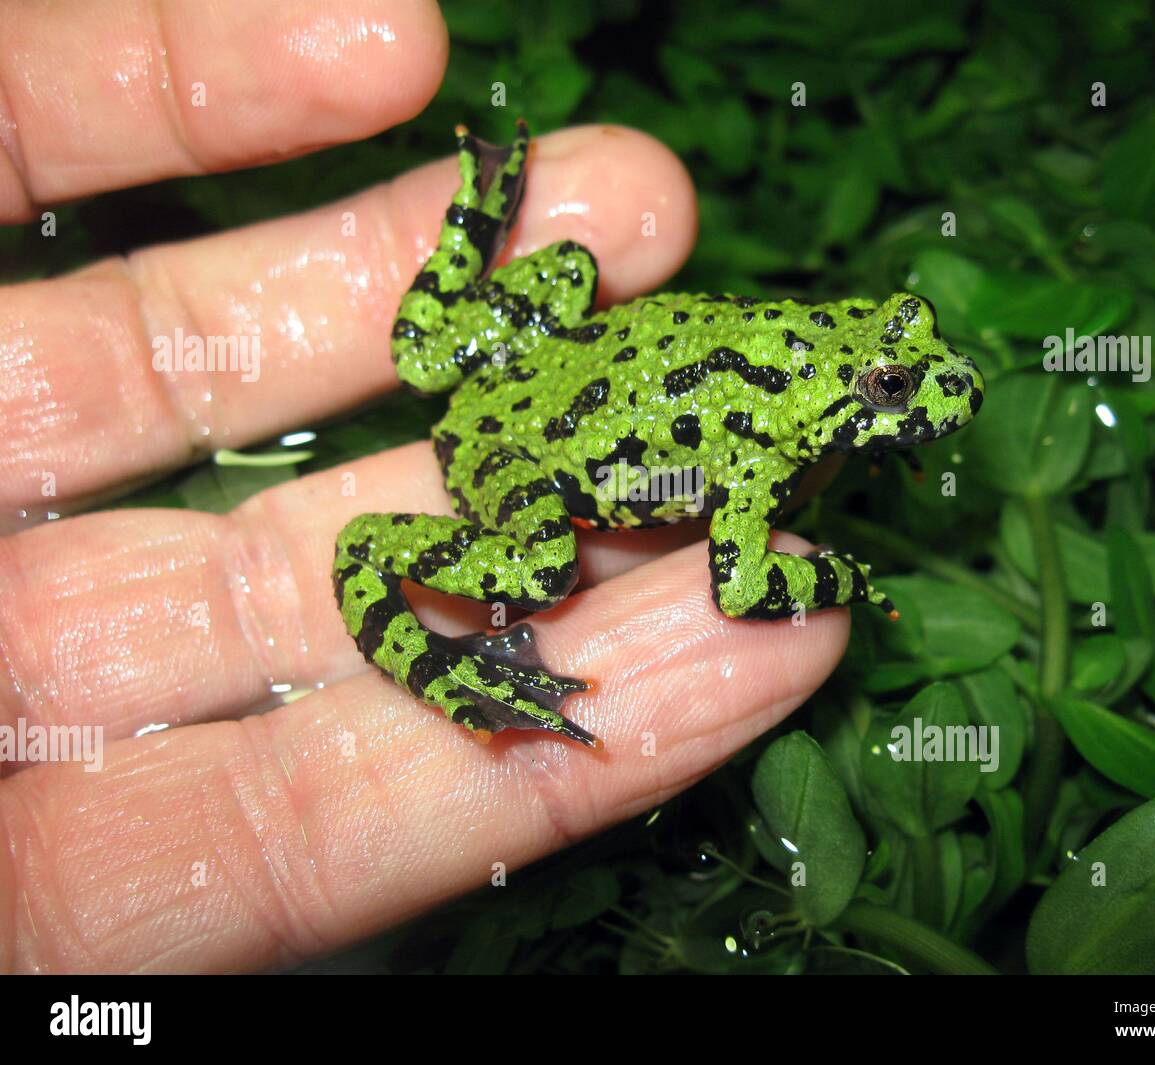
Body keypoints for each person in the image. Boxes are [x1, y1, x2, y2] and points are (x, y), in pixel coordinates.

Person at [0, 0, 849, 972]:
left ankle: (473, 226)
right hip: (517, 451)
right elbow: (742, 584)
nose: (931, 391)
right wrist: (839, 579)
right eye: (891, 388)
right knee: (544, 567)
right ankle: (435, 663)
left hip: (540, 372)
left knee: (566, 271)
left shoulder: (792, 366)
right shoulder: (764, 458)